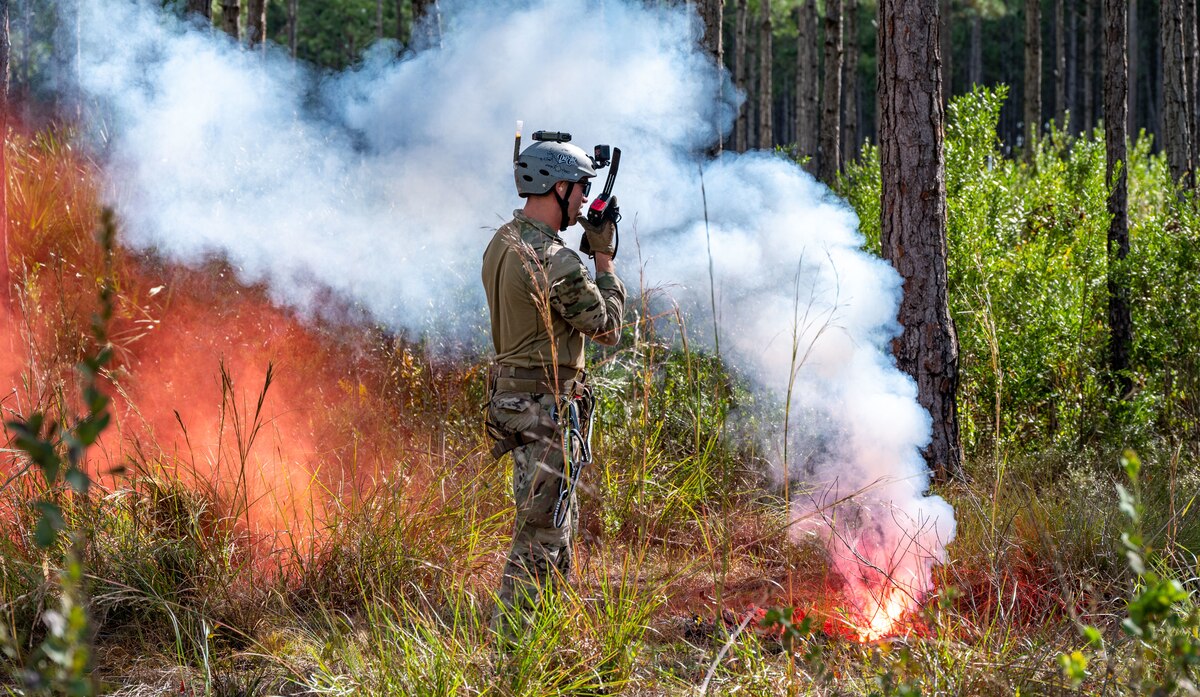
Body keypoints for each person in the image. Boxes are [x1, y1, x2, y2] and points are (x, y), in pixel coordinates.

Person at [481, 133, 625, 633]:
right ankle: (516, 648)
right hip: (544, 406)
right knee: (544, 531)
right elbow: (608, 327)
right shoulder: (553, 258)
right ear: (556, 186)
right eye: (580, 189)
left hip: (519, 400)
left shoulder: (504, 240)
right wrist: (603, 259)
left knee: (551, 520)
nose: (585, 200)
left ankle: (545, 631)